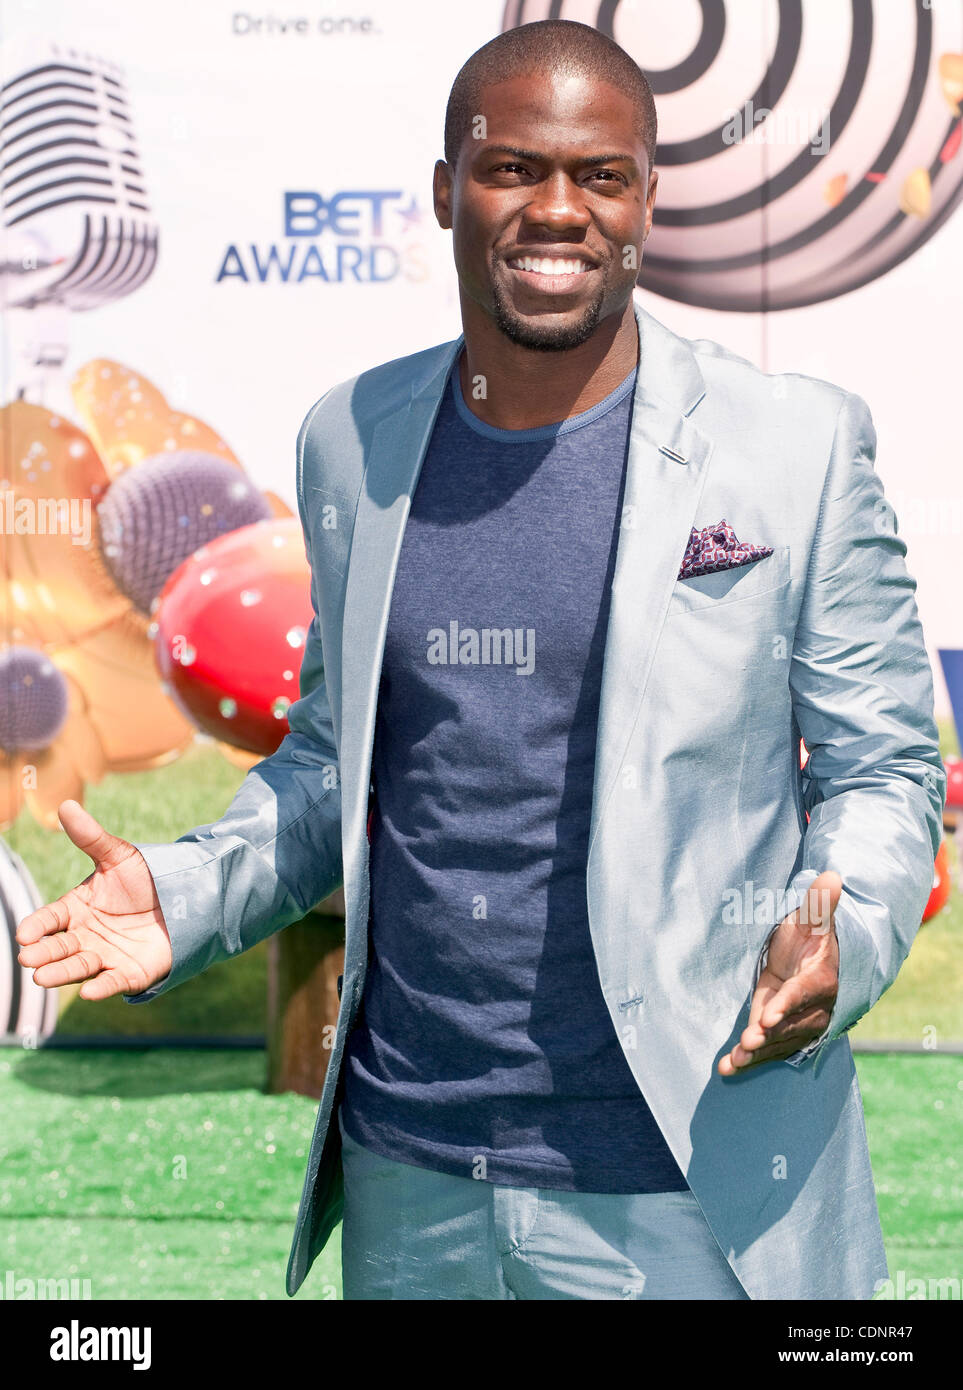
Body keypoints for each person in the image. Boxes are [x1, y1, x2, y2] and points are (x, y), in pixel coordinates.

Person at [17, 20, 945, 1301]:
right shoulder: (354, 436)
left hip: (689, 1178)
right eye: (514, 168)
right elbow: (336, 768)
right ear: (448, 191)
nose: (559, 209)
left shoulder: (797, 446)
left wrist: (845, 934)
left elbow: (885, 769)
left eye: (600, 176)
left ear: (648, 200)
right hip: (411, 1174)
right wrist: (185, 892)